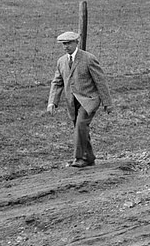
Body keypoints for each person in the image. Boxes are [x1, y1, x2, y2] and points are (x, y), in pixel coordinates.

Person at [46, 31, 112, 168]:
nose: (66, 46)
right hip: (72, 102)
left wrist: (107, 103)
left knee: (81, 126)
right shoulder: (61, 61)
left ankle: (79, 158)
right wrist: (52, 102)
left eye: (69, 43)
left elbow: (101, 81)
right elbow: (57, 82)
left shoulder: (88, 59)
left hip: (89, 100)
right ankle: (90, 157)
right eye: (64, 44)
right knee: (80, 129)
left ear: (77, 42)